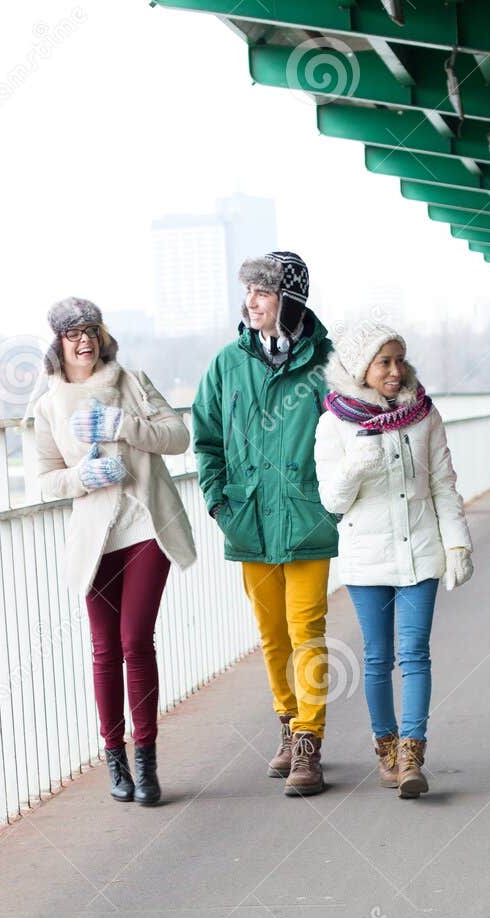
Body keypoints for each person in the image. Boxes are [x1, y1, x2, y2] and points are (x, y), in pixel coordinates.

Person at [33, 297, 196, 806]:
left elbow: (177, 437)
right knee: (104, 649)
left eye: (90, 331)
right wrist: (80, 477)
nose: (84, 341)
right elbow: (45, 483)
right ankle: (116, 761)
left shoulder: (133, 382)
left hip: (147, 525)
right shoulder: (48, 405)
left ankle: (146, 761)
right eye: (72, 334)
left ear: (102, 336)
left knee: (135, 641)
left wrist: (122, 427)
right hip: (95, 539)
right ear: (58, 345)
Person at [192, 251, 339, 796]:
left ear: (290, 299)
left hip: (306, 517)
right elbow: (205, 439)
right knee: (272, 636)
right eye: (248, 291)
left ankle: (309, 742)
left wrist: (335, 499)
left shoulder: (327, 363)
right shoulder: (226, 364)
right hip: (247, 518)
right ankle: (287, 722)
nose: (250, 302)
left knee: (308, 630)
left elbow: (351, 433)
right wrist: (217, 502)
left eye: (262, 291)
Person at [314, 321, 472, 797]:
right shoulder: (333, 423)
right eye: (384, 362)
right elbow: (332, 501)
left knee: (415, 654)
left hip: (420, 553)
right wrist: (360, 459)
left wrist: (457, 543)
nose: (396, 370)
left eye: (399, 359)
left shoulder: (424, 415)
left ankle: (412, 754)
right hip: (367, 559)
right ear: (361, 369)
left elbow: (443, 483)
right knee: (378, 658)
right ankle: (385, 747)